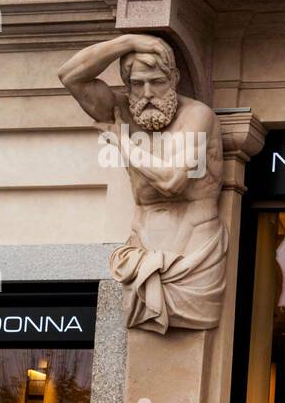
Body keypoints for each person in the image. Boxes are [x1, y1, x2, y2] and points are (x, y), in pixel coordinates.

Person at [58, 35, 226, 333]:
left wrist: (123, 141)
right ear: (128, 85)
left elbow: (173, 182)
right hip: (141, 251)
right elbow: (70, 76)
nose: (148, 93)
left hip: (193, 256)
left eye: (158, 82)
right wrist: (127, 41)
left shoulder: (197, 116)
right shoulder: (124, 109)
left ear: (174, 78)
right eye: (138, 84)